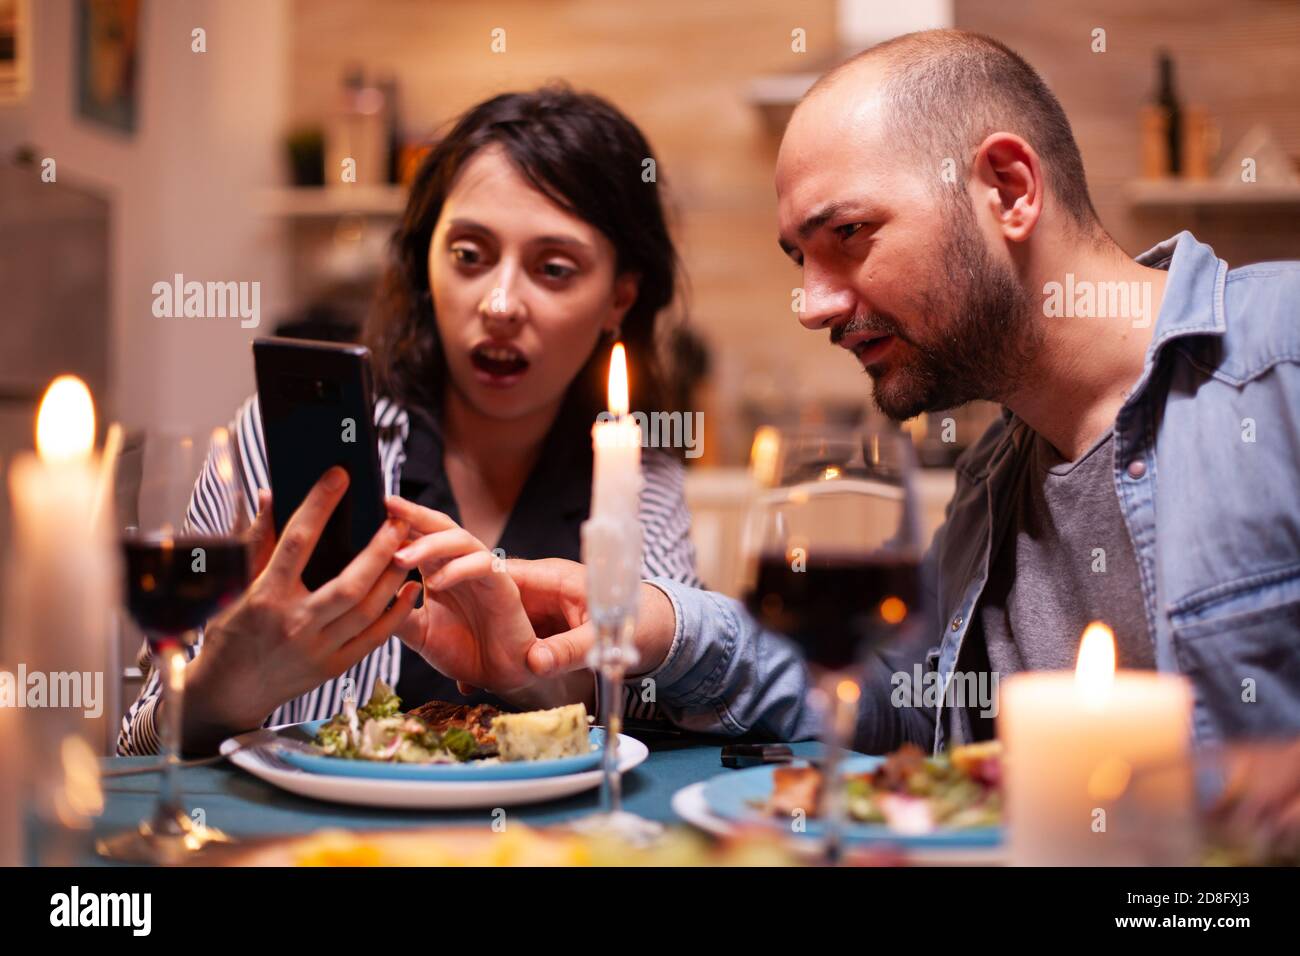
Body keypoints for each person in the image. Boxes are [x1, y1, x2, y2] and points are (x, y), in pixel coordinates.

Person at [414, 29, 1300, 753]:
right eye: (802, 258)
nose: (813, 305)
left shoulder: (1280, 363)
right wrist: (666, 628)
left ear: (1008, 188)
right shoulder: (992, 487)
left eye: (849, 233)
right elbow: (890, 712)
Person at [118, 86, 699, 756]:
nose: (501, 304)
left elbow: (679, 726)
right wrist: (215, 697)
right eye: (469, 256)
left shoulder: (643, 485)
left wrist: (547, 685)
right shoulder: (283, 447)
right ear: (426, 265)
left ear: (618, 298)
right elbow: (134, 755)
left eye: (555, 268)